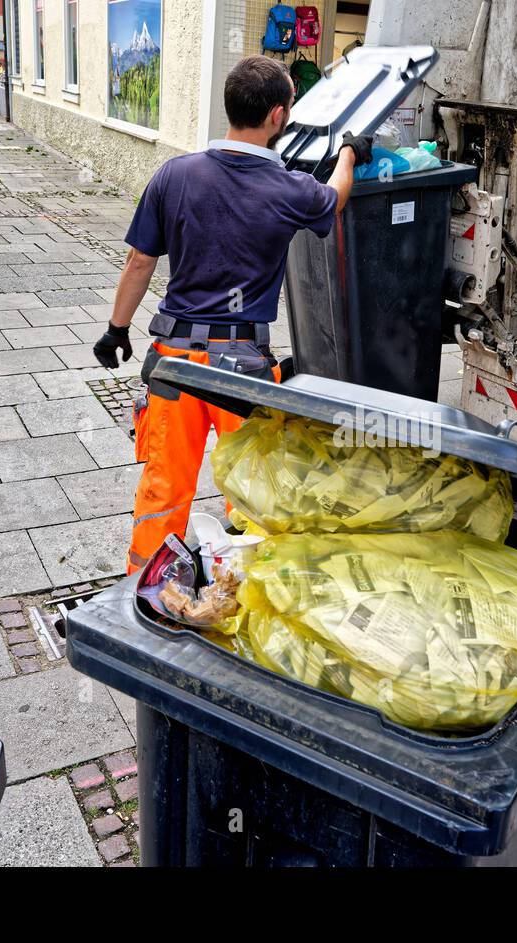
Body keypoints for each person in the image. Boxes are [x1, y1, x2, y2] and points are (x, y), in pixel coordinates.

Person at [94, 54, 373, 574]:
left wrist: (115, 331)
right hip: (241, 369)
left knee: (166, 486)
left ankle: (144, 592)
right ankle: (244, 586)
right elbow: (334, 200)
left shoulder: (174, 174)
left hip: (174, 362)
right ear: (277, 116)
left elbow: (139, 261)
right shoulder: (288, 189)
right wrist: (350, 153)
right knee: (251, 487)